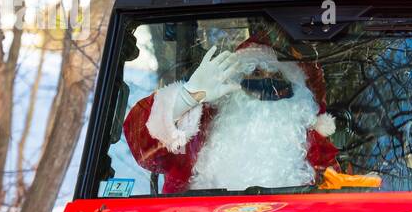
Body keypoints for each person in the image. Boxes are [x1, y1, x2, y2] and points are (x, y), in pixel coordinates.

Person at [124, 40, 338, 193]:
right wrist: (188, 97)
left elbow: (335, 190)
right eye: (255, 74)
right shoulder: (199, 130)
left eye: (277, 77)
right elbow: (141, 141)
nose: (267, 83)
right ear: (235, 81)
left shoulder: (309, 142)